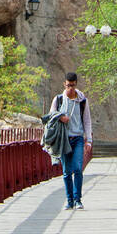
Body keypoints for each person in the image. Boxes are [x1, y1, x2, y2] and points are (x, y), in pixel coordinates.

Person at [48, 72, 93, 210]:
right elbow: (50, 117)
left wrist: (89, 140)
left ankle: (78, 199)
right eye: (68, 86)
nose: (70, 89)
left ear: (76, 84)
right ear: (64, 84)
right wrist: (60, 117)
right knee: (67, 171)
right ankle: (69, 201)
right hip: (63, 139)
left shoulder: (82, 100)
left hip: (78, 138)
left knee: (78, 168)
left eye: (73, 86)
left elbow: (87, 120)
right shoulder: (59, 100)